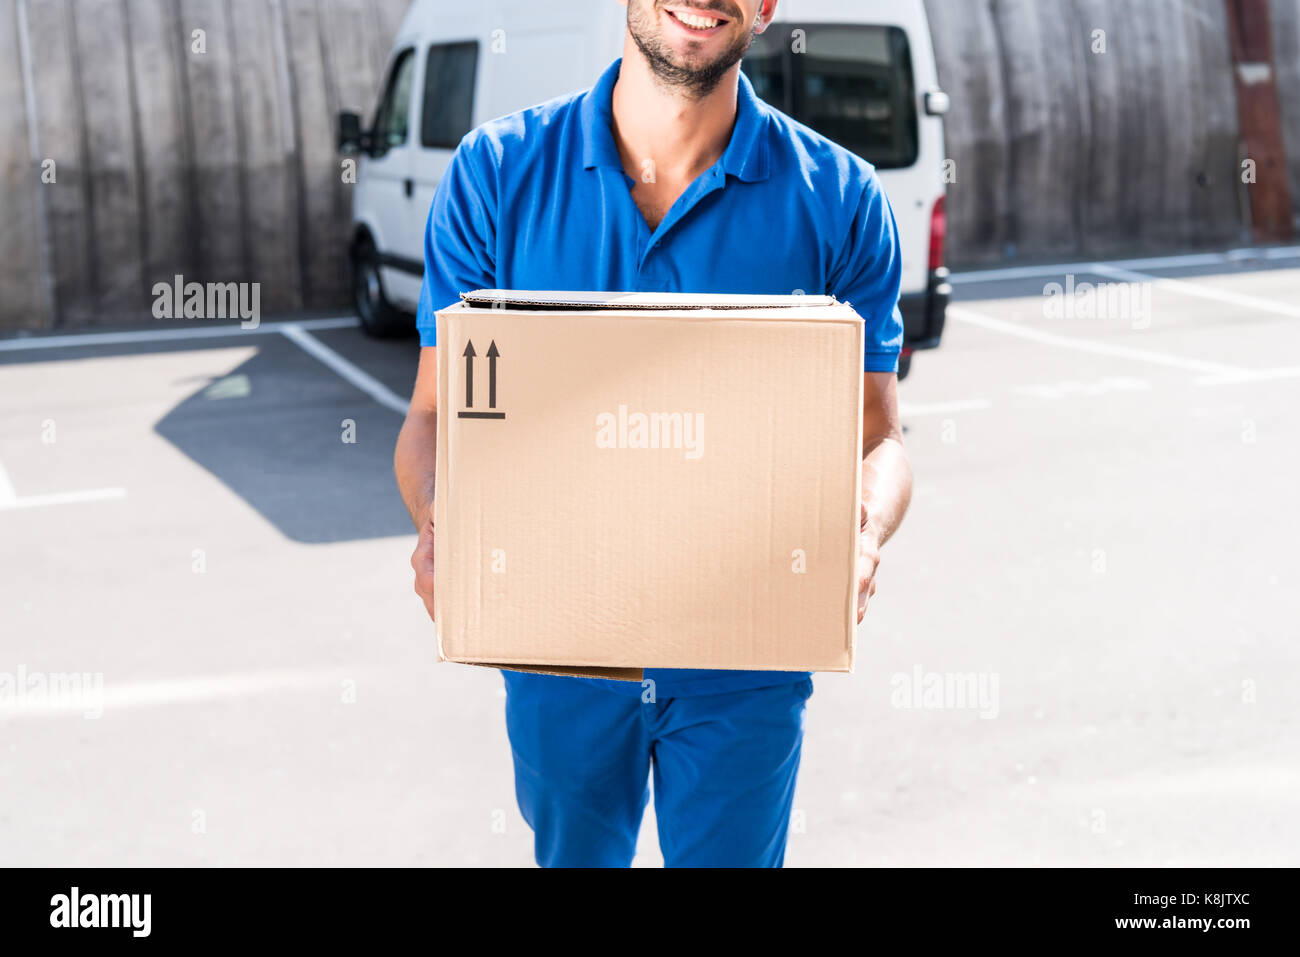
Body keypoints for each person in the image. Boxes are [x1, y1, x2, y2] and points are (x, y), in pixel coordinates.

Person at [394, 0, 913, 867]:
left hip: (747, 653)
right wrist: (442, 519)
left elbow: (880, 437)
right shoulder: (497, 173)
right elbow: (431, 418)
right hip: (558, 650)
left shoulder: (842, 199)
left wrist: (861, 532)